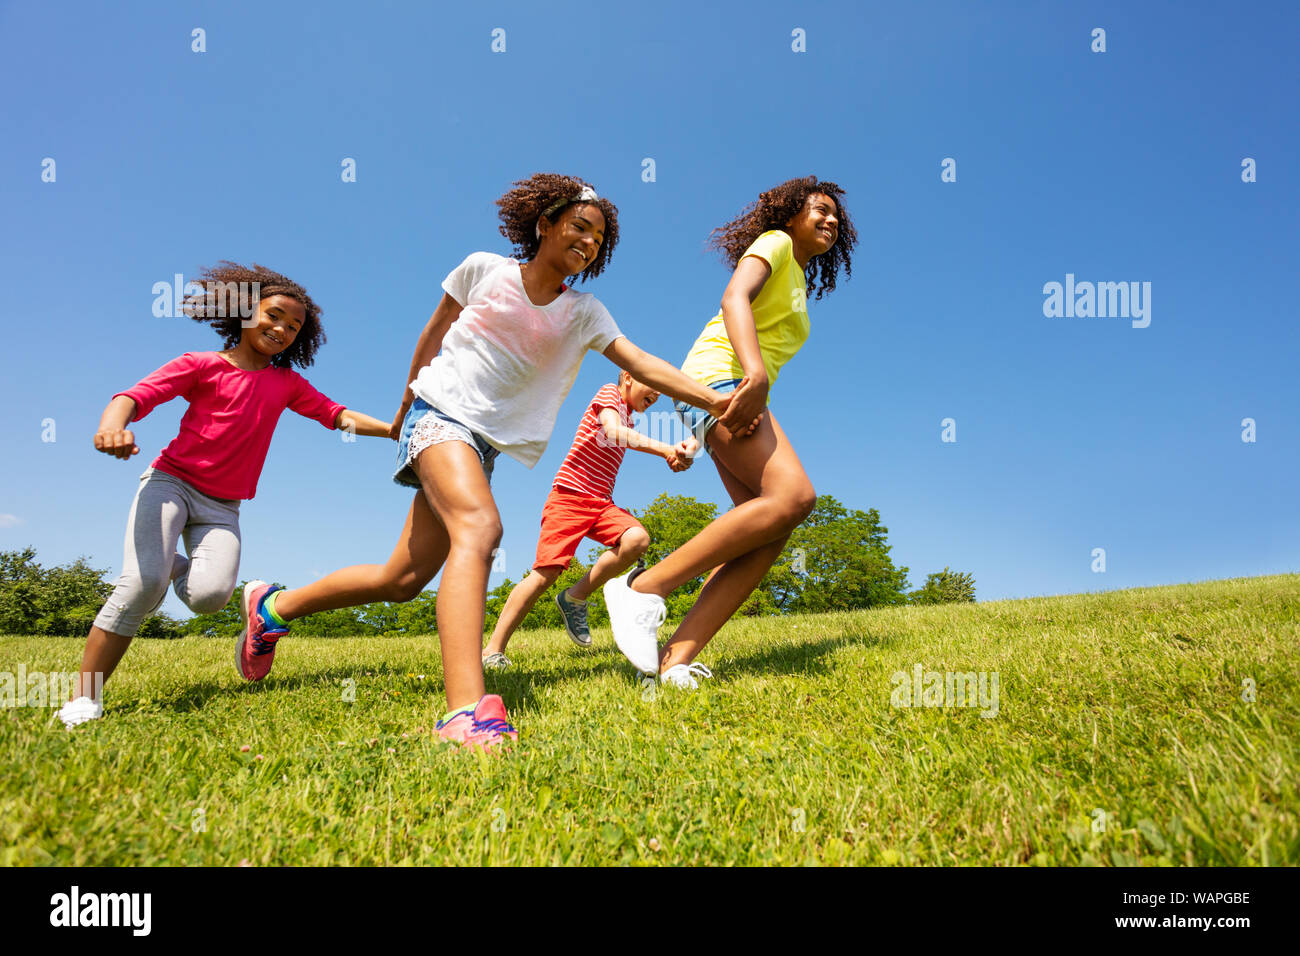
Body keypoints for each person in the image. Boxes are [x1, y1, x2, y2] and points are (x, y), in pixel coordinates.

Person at [237, 174, 751, 752]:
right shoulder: (484, 269)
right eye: (579, 226)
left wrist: (718, 400)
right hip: (438, 416)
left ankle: (274, 605)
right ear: (544, 225)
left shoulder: (585, 313)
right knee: (481, 529)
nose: (588, 241)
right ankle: (465, 712)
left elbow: (641, 361)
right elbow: (435, 333)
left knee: (402, 580)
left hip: (481, 444)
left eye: (599, 238)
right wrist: (406, 404)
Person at [59, 263, 391, 728]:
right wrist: (112, 427)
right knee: (141, 585)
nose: (282, 330)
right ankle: (84, 699)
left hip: (223, 507)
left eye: (294, 327)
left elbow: (335, 416)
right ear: (244, 312)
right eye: (274, 316)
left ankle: (211, 581)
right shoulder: (201, 364)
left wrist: (395, 430)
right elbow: (135, 396)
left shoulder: (285, 384)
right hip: (170, 484)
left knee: (209, 596)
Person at [603, 176, 856, 689]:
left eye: (837, 217)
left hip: (730, 382)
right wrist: (755, 377)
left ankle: (675, 660)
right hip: (718, 379)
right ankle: (643, 587)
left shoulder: (800, 278)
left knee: (767, 531)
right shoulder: (776, 243)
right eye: (820, 210)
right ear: (790, 216)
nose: (830, 220)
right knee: (795, 498)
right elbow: (733, 298)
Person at [480, 372, 697, 669]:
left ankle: (575, 597)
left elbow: (626, 433)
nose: (657, 394)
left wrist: (676, 455)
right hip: (569, 496)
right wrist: (664, 450)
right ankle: (493, 649)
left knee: (636, 540)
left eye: (661, 389)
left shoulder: (630, 418)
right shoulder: (610, 394)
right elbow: (613, 431)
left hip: (600, 503)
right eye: (654, 384)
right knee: (546, 573)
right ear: (628, 377)